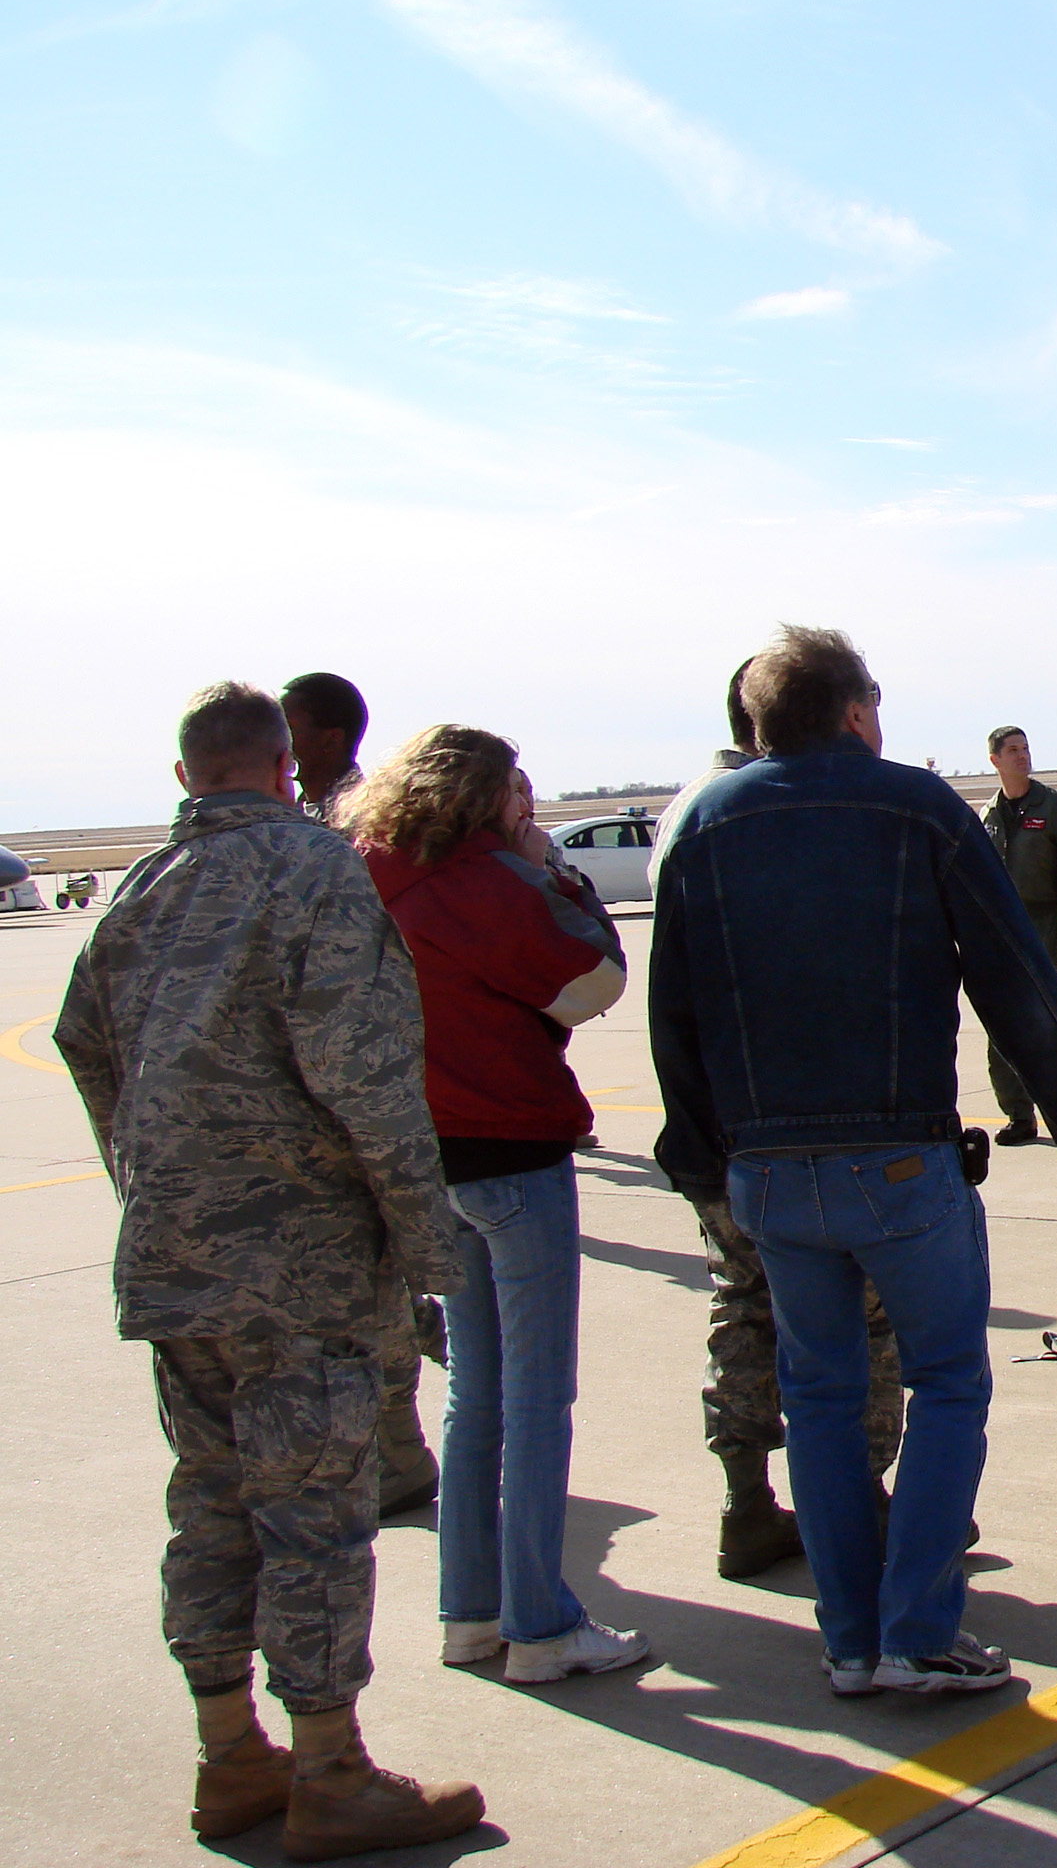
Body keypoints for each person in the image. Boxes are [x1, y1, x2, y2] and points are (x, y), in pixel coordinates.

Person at [54, 682, 483, 1859]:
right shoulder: (312, 871)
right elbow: (366, 1075)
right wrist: (420, 1243)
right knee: (313, 1521)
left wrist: (153, 1185)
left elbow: (81, 1040)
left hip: (178, 1264)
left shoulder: (139, 889)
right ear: (283, 772)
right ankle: (332, 1769)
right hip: (298, 1269)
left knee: (210, 1504)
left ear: (190, 775)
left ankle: (229, 1753)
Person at [651, 626, 1057, 1695]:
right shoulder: (915, 806)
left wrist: (699, 1157)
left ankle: (851, 1642)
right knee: (948, 1382)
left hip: (767, 1174)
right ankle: (917, 1628)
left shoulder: (705, 825)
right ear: (857, 714)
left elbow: (673, 1008)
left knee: (816, 1394)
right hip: (899, 1160)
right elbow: (1011, 968)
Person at [347, 727, 649, 1686]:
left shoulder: (364, 873)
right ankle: (539, 1622)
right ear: (491, 800)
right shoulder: (483, 885)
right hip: (509, 1154)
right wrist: (550, 872)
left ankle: (470, 1613)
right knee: (536, 1398)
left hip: (420, 1160)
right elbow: (591, 981)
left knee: (473, 1396)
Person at [649, 662, 907, 1581]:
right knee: (858, 1309)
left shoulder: (694, 807)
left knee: (744, 1303)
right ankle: (861, 1506)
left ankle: (749, 1500)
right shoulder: (763, 810)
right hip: (795, 1117)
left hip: (716, 1121)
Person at [281, 671, 443, 1525]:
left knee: (375, 1276)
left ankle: (399, 1443)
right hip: (321, 1073)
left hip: (361, 1067)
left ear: (327, 732)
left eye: (291, 723)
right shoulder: (300, 813)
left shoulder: (361, 813)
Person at [979, 725, 1057, 1145]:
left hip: (1042, 923)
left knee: (1044, 1021)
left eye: (1025, 749)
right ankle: (1019, 1114)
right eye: (1012, 750)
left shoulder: (1056, 807)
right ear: (995, 760)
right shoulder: (988, 815)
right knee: (1001, 1027)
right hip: (999, 933)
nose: (1021, 757)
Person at [281, 671, 368, 818]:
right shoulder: (289, 816)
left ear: (332, 739)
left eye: (286, 728)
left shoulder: (368, 821)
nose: (276, 739)